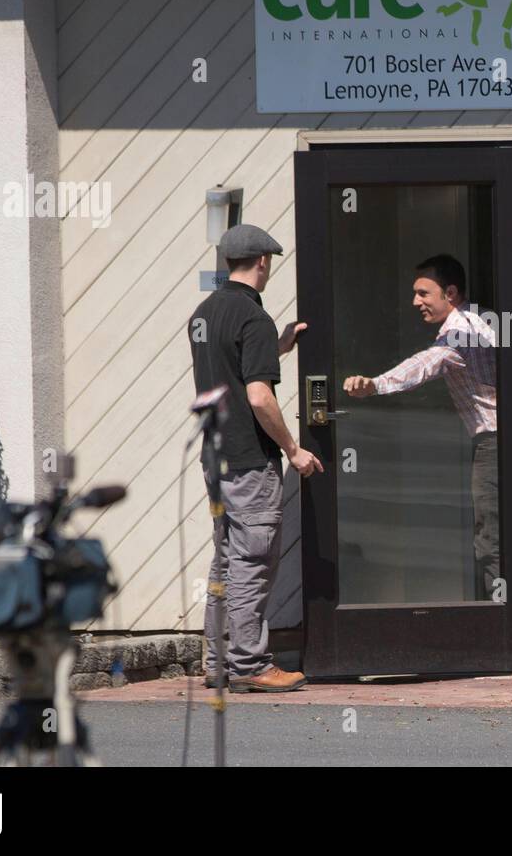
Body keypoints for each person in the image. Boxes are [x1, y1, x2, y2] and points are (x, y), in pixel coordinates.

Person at [187, 224, 323, 694]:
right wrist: (293, 448)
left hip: (216, 458)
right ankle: (250, 664)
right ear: (262, 262)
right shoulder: (253, 318)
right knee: (252, 563)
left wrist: (278, 348)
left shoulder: (204, 314)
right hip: (249, 460)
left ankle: (219, 661)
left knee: (226, 561)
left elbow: (230, 367)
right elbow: (260, 396)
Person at [342, 254, 499, 599]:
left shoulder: (458, 334)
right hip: (500, 439)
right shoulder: (481, 319)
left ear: (451, 293)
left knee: (490, 538)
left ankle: (501, 620)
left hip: (493, 444)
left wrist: (375, 384)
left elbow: (425, 364)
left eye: (424, 293)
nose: (415, 302)